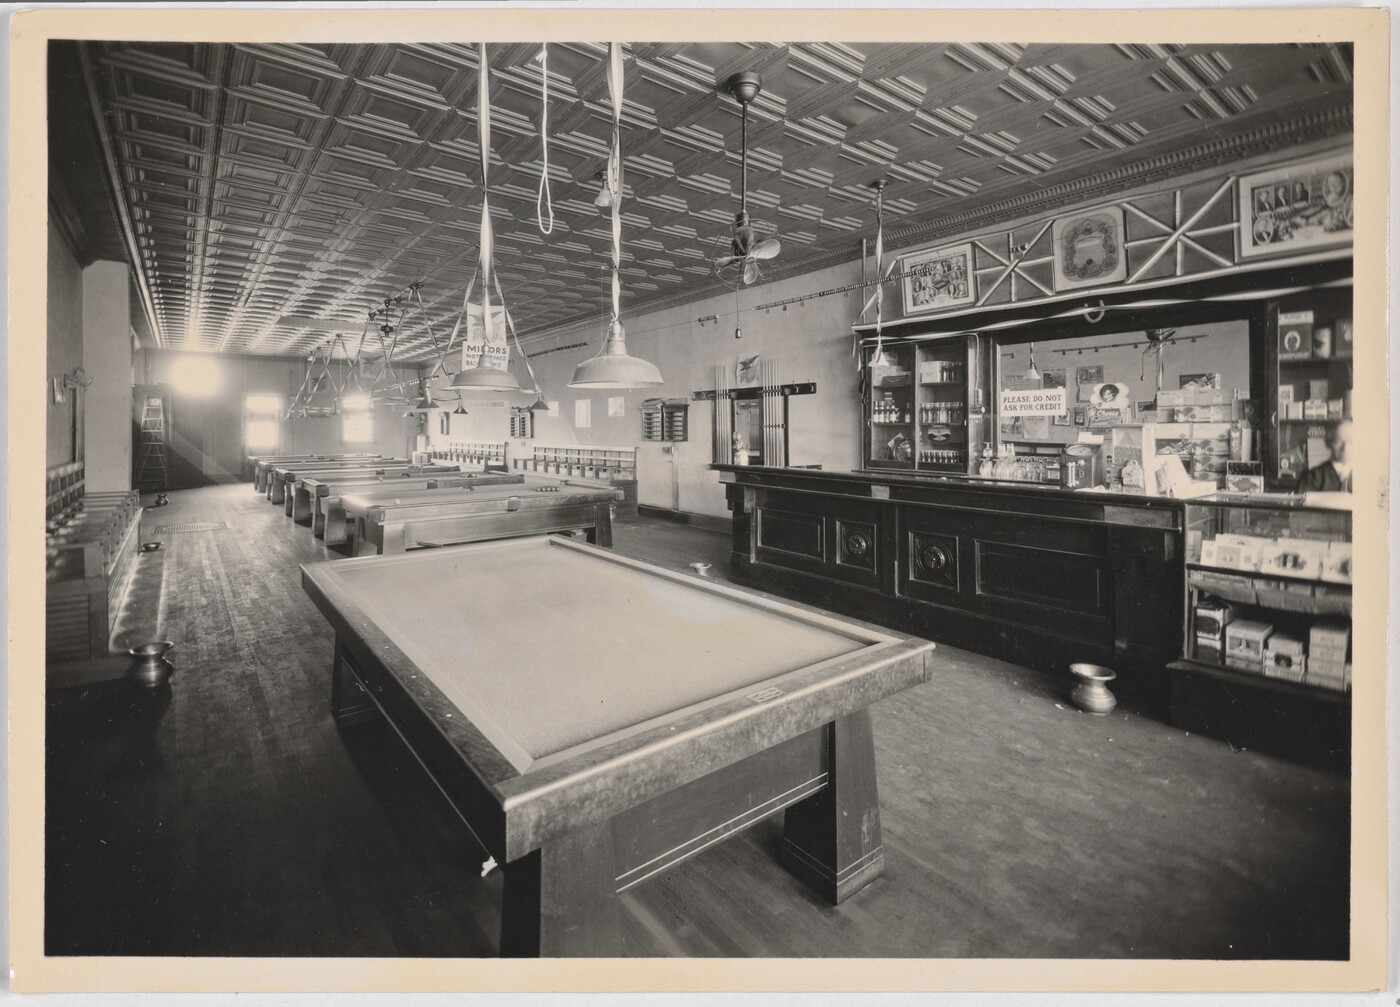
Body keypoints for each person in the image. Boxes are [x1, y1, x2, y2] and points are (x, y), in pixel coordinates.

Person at [1297, 420, 1352, 492]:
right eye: (1338, 441)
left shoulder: (1366, 476)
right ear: (1328, 443)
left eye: (1351, 442)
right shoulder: (1312, 477)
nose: (1345, 447)